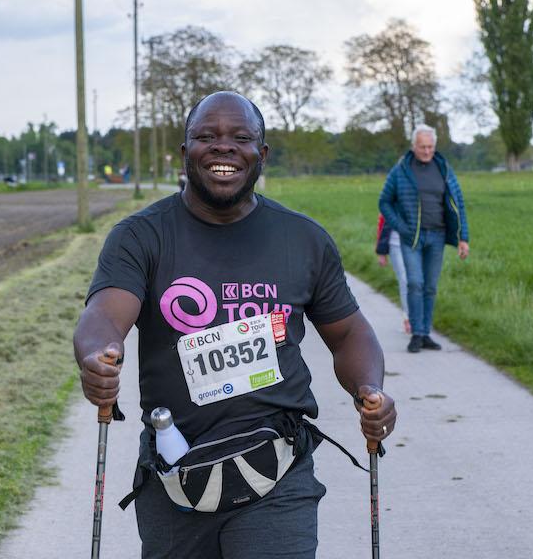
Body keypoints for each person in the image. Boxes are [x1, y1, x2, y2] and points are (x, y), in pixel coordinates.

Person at [74, 91, 397, 558]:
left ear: (260, 155)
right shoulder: (141, 236)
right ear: (186, 154)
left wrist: (371, 389)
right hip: (174, 476)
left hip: (278, 475)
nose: (223, 147)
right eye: (206, 137)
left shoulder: (302, 240)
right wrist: (96, 356)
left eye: (240, 138)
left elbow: (349, 332)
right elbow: (104, 313)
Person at [379, 124, 470, 354]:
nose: (427, 151)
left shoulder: (444, 169)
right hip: (412, 238)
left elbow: (458, 204)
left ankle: (426, 333)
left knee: (430, 287)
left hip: (437, 236)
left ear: (435, 146)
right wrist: (400, 227)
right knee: (415, 283)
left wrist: (463, 238)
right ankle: (416, 334)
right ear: (414, 146)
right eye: (422, 147)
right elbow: (384, 202)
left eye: (430, 147)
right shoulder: (401, 170)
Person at [374, 214, 410, 334]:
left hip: (415, 244)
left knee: (417, 282)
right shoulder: (391, 196)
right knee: (404, 280)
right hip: (395, 244)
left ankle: (419, 319)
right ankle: (408, 319)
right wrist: (381, 251)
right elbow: (383, 219)